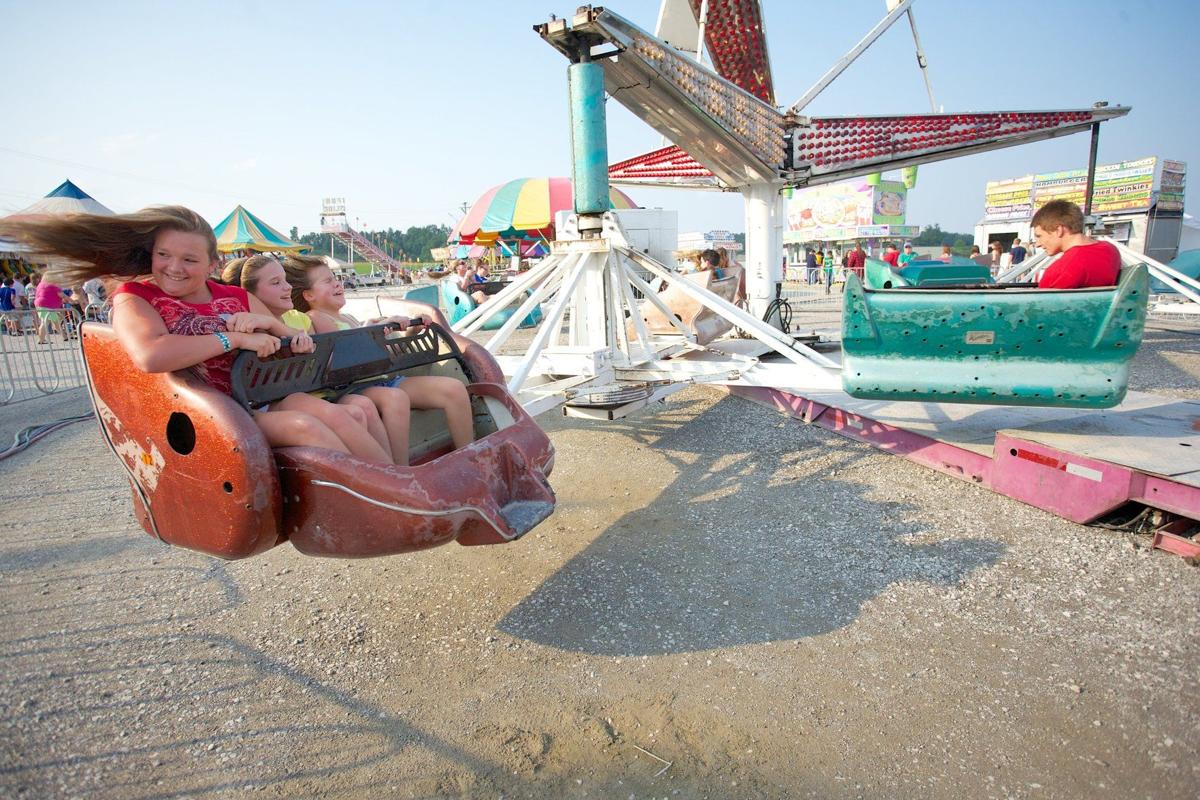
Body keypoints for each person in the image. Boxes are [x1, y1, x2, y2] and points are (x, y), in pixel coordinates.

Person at [0, 206, 384, 458]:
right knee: (306, 425)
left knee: (349, 413)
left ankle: (400, 489)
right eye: (164, 255)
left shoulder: (233, 295)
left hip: (259, 396)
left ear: (212, 263)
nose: (173, 267)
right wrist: (231, 339)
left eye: (189, 259)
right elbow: (151, 354)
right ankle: (374, 502)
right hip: (210, 417)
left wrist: (274, 329)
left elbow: (290, 344)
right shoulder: (135, 297)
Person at [285, 253, 475, 464]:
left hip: (383, 379)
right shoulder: (316, 318)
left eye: (335, 278)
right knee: (395, 399)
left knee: (454, 389)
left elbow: (379, 349)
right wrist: (375, 329)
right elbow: (347, 350)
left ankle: (467, 460)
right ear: (309, 295)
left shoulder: (347, 318)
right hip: (354, 386)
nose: (337, 284)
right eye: (328, 281)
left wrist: (411, 331)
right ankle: (401, 470)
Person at [220, 254, 397, 464]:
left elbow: (313, 349)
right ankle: (386, 481)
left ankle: (392, 473)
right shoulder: (249, 324)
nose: (287, 287)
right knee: (349, 413)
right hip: (276, 400)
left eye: (285, 280)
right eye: (276, 283)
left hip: (306, 392)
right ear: (250, 295)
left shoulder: (293, 321)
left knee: (359, 411)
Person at [1033, 200, 1121, 289]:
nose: (1037, 244)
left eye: (1039, 236)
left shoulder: (1061, 270)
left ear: (1058, 230)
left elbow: (1041, 301)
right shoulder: (1110, 250)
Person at [33, 273, 70, 344]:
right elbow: (62, 295)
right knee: (45, 322)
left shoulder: (40, 285)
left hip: (41, 305)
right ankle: (41, 340)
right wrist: (71, 300)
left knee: (55, 322)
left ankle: (65, 337)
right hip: (48, 306)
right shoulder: (52, 285)